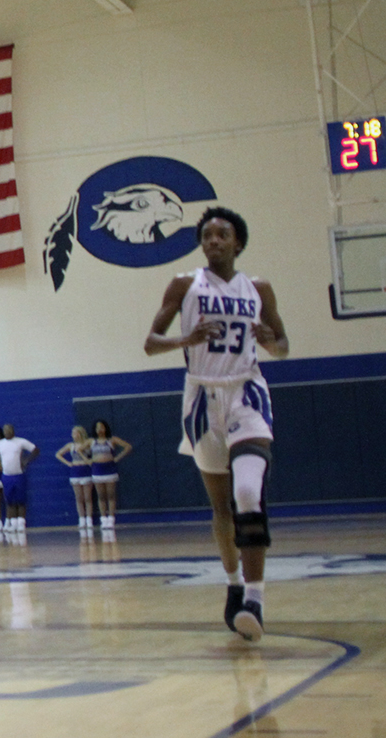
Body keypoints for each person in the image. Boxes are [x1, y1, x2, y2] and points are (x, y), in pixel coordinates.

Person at [144, 206, 288, 642]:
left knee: (248, 492)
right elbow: (151, 343)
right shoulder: (185, 284)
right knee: (222, 507)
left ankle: (256, 601)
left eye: (222, 234)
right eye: (207, 235)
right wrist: (183, 340)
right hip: (202, 397)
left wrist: (270, 342)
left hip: (246, 391)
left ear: (238, 242)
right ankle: (233, 585)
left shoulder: (258, 287)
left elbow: (282, 344)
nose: (213, 241)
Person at [0, 424, 38, 537]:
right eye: (6, 430)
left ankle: (21, 523)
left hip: (19, 475)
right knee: (10, 500)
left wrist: (26, 460)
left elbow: (35, 449)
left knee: (20, 499)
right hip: (6, 475)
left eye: (10, 430)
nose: (8, 432)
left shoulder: (20, 441)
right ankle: (12, 523)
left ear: (13, 431)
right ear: (3, 432)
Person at [88, 419, 132, 531]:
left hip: (110, 469)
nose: (100, 429)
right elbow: (78, 449)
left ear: (106, 428)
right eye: (97, 427)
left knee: (111, 495)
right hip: (97, 470)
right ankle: (103, 519)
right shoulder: (91, 441)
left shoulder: (112, 440)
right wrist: (88, 460)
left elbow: (128, 447)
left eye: (102, 427)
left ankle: (111, 519)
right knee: (101, 495)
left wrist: (117, 458)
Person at [55, 426, 96, 534]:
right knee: (79, 497)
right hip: (75, 471)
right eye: (72, 433)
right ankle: (81, 519)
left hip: (86, 470)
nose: (73, 435)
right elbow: (58, 454)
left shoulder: (88, 443)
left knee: (87, 497)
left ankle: (89, 519)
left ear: (80, 434)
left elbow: (94, 454)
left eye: (75, 433)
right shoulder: (71, 445)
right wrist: (68, 463)